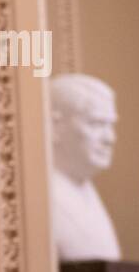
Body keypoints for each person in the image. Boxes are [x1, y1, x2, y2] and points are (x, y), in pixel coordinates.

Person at [48, 73, 122, 261]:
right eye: (97, 124)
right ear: (55, 126)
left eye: (111, 125)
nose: (110, 138)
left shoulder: (87, 193)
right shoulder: (43, 195)